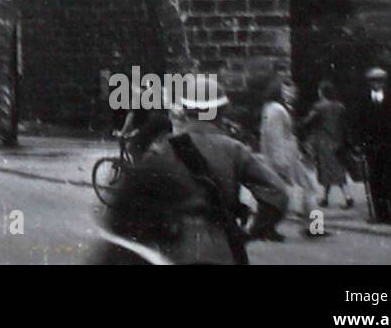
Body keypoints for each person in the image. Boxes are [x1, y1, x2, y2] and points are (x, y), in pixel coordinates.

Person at [93, 91, 288, 264]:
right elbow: (277, 193)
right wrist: (253, 232)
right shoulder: (234, 150)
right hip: (223, 248)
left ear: (185, 110)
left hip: (174, 249)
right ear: (221, 112)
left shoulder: (161, 150)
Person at [259, 77, 327, 239]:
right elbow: (275, 137)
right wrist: (281, 162)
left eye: (292, 91)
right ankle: (313, 227)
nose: (291, 94)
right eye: (287, 91)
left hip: (287, 156)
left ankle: (313, 227)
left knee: (303, 190)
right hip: (285, 158)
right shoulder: (277, 110)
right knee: (304, 191)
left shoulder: (273, 108)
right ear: (278, 91)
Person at [353, 66, 391, 225]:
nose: (376, 84)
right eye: (373, 81)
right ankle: (381, 214)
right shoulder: (364, 100)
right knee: (375, 181)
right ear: (369, 83)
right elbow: (359, 124)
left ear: (384, 82)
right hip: (372, 147)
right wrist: (360, 145)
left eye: (379, 81)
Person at [300, 80, 354, 209]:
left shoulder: (319, 107)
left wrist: (300, 125)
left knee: (328, 171)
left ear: (322, 92)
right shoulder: (340, 107)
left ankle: (347, 197)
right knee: (336, 170)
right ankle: (327, 197)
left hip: (324, 143)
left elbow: (307, 121)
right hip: (338, 142)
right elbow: (345, 125)